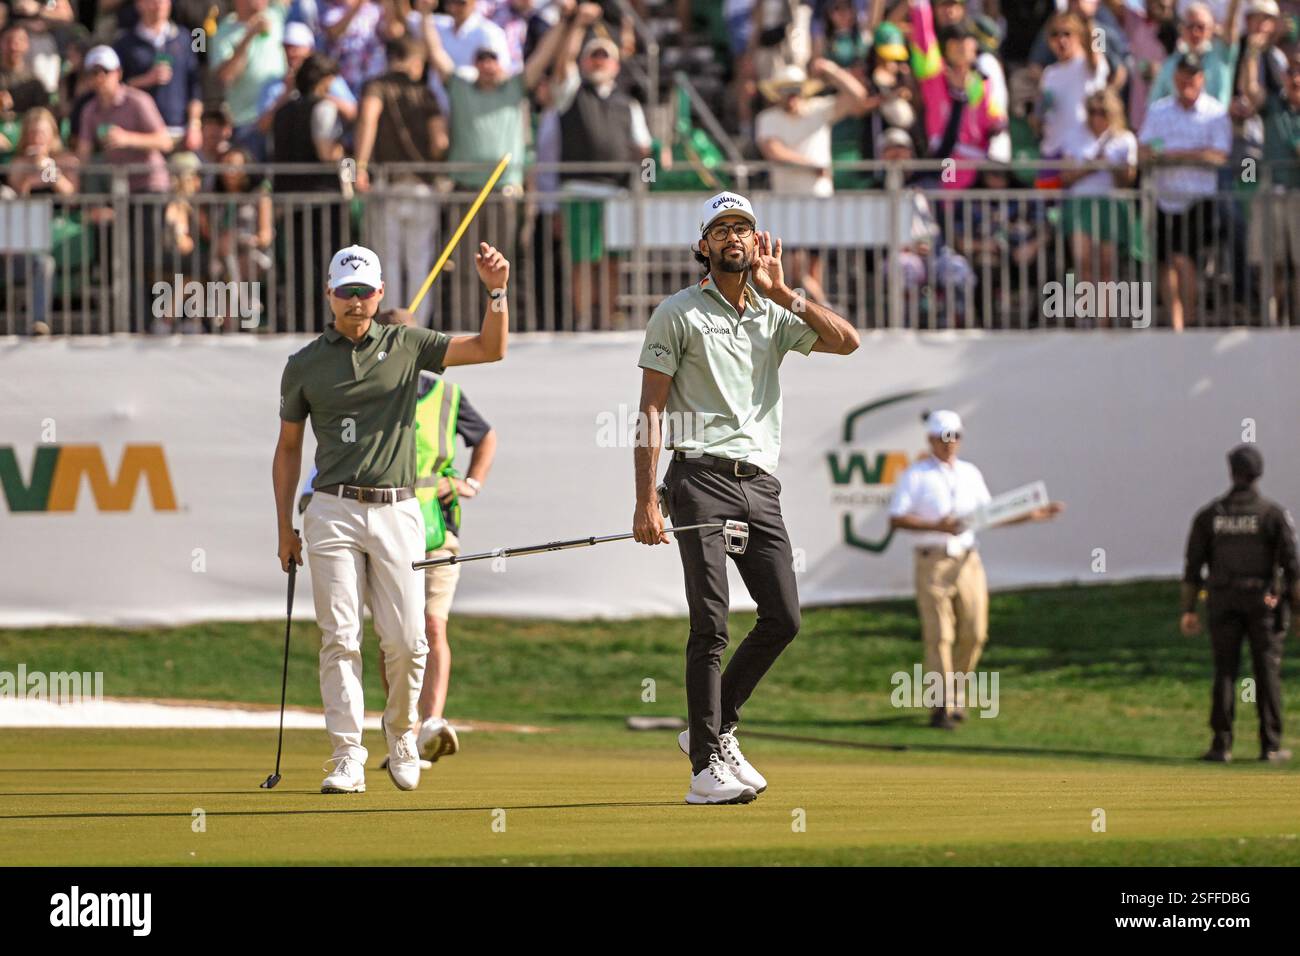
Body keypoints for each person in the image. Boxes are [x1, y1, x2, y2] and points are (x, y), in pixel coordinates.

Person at [632, 191, 860, 805]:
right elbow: (652, 410)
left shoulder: (775, 313)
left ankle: (715, 725)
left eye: (744, 228)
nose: (734, 236)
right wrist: (645, 501)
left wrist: (786, 293)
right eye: (722, 228)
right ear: (703, 246)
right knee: (710, 621)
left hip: (760, 484)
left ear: (758, 244)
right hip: (698, 478)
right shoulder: (676, 313)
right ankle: (705, 766)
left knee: (783, 616)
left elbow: (847, 342)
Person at [273, 240, 510, 795]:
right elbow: (288, 449)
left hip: (399, 508)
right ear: (329, 295)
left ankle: (402, 736)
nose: (355, 301)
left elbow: (489, 349)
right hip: (330, 509)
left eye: (365, 291)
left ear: (381, 295)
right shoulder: (303, 365)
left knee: (407, 640)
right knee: (340, 637)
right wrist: (283, 526)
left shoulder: (407, 344)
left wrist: (495, 291)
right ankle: (347, 756)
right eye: (345, 292)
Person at [367, 306, 498, 769]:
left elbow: (484, 436)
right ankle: (401, 730)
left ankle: (431, 724)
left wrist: (470, 482)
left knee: (432, 625)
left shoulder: (445, 393)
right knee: (391, 636)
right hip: (383, 527)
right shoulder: (368, 395)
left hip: (437, 526)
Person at [889, 410, 1063, 728]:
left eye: (955, 436)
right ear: (930, 440)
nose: (950, 443)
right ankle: (941, 705)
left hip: (968, 560)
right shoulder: (916, 474)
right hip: (933, 561)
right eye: (944, 437)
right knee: (940, 635)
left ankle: (954, 696)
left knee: (975, 633)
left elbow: (990, 514)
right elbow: (897, 517)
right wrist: (937, 526)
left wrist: (1034, 514)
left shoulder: (970, 473)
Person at [1181, 445, 1298, 764]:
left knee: (1225, 671)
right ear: (1258, 473)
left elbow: (1193, 566)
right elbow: (1293, 568)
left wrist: (1189, 609)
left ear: (1231, 471)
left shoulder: (1210, 516)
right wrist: (1296, 611)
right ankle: (1270, 746)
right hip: (1263, 603)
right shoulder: (1272, 514)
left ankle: (1222, 745)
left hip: (1222, 601)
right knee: (1267, 672)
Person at [551, 20, 653, 328]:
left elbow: (644, 150)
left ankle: (609, 319)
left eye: (604, 56)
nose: (598, 61)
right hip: (579, 191)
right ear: (583, 62)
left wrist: (646, 186)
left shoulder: (629, 104)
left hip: (617, 194)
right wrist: (576, 25)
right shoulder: (570, 93)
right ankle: (583, 321)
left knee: (611, 262)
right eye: (592, 56)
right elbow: (561, 66)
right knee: (582, 262)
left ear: (616, 64)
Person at [353, 34, 447, 327]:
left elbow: (369, 118)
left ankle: (391, 325)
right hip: (421, 186)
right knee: (419, 262)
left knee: (387, 262)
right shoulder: (426, 94)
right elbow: (439, 142)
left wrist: (360, 165)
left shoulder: (377, 87)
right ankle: (417, 326)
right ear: (415, 61)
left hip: (388, 184)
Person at [1138, 53, 1231, 330]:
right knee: (1166, 260)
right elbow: (1143, 151)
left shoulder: (1215, 112)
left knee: (1183, 258)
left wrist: (1174, 156)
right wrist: (1187, 155)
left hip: (1198, 199)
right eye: (1181, 77)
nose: (1186, 82)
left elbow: (1219, 156)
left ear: (1201, 79)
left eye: (1192, 77)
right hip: (1165, 197)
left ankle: (1187, 318)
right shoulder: (1159, 110)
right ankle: (1176, 320)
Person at [1059, 88, 1139, 318]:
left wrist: (1113, 167)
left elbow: (1128, 180)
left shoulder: (1124, 139)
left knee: (1107, 266)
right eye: (1092, 111)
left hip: (1110, 203)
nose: (1096, 117)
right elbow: (1065, 176)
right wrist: (1092, 165)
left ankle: (1103, 322)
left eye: (1102, 112)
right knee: (1083, 262)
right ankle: (1085, 319)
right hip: (1081, 203)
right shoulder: (1075, 135)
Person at [113, 0, 202, 151]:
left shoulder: (185, 37)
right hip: (140, 135)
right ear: (139, 4)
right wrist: (145, 80)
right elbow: (115, 88)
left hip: (178, 132)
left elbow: (194, 86)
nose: (159, 5)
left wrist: (194, 125)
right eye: (152, 1)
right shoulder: (124, 42)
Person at [211, 0, 288, 158]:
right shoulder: (224, 31)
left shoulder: (276, 16)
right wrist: (249, 35)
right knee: (251, 180)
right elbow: (227, 76)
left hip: (280, 117)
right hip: (247, 123)